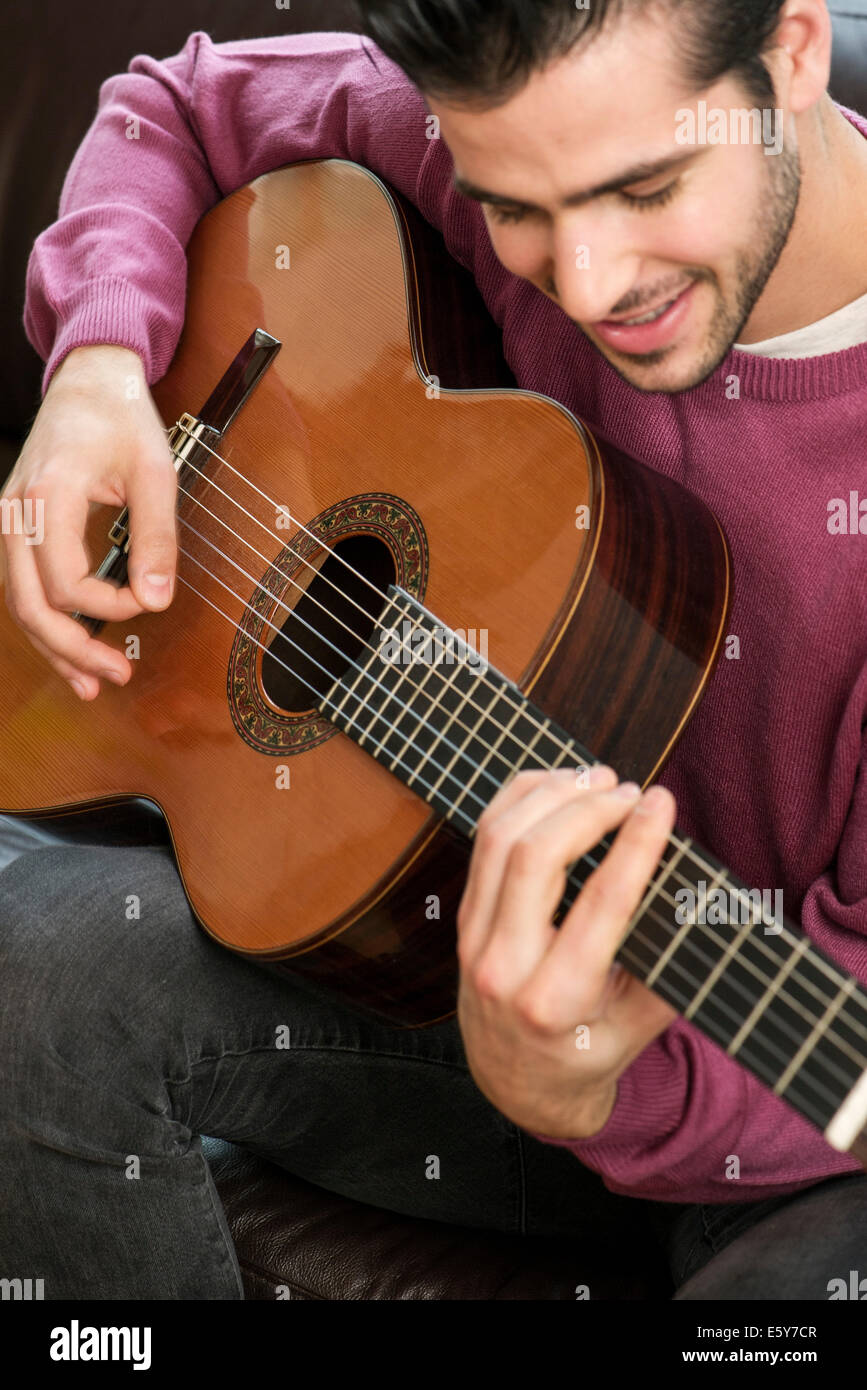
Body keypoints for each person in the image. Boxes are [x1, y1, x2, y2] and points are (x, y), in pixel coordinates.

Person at [2, 0, 866, 1300]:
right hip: (418, 963)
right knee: (34, 974)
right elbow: (168, 104)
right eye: (514, 206)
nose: (584, 283)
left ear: (795, 48)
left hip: (742, 1088)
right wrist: (99, 360)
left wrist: (588, 1083)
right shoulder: (510, 103)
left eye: (646, 185)